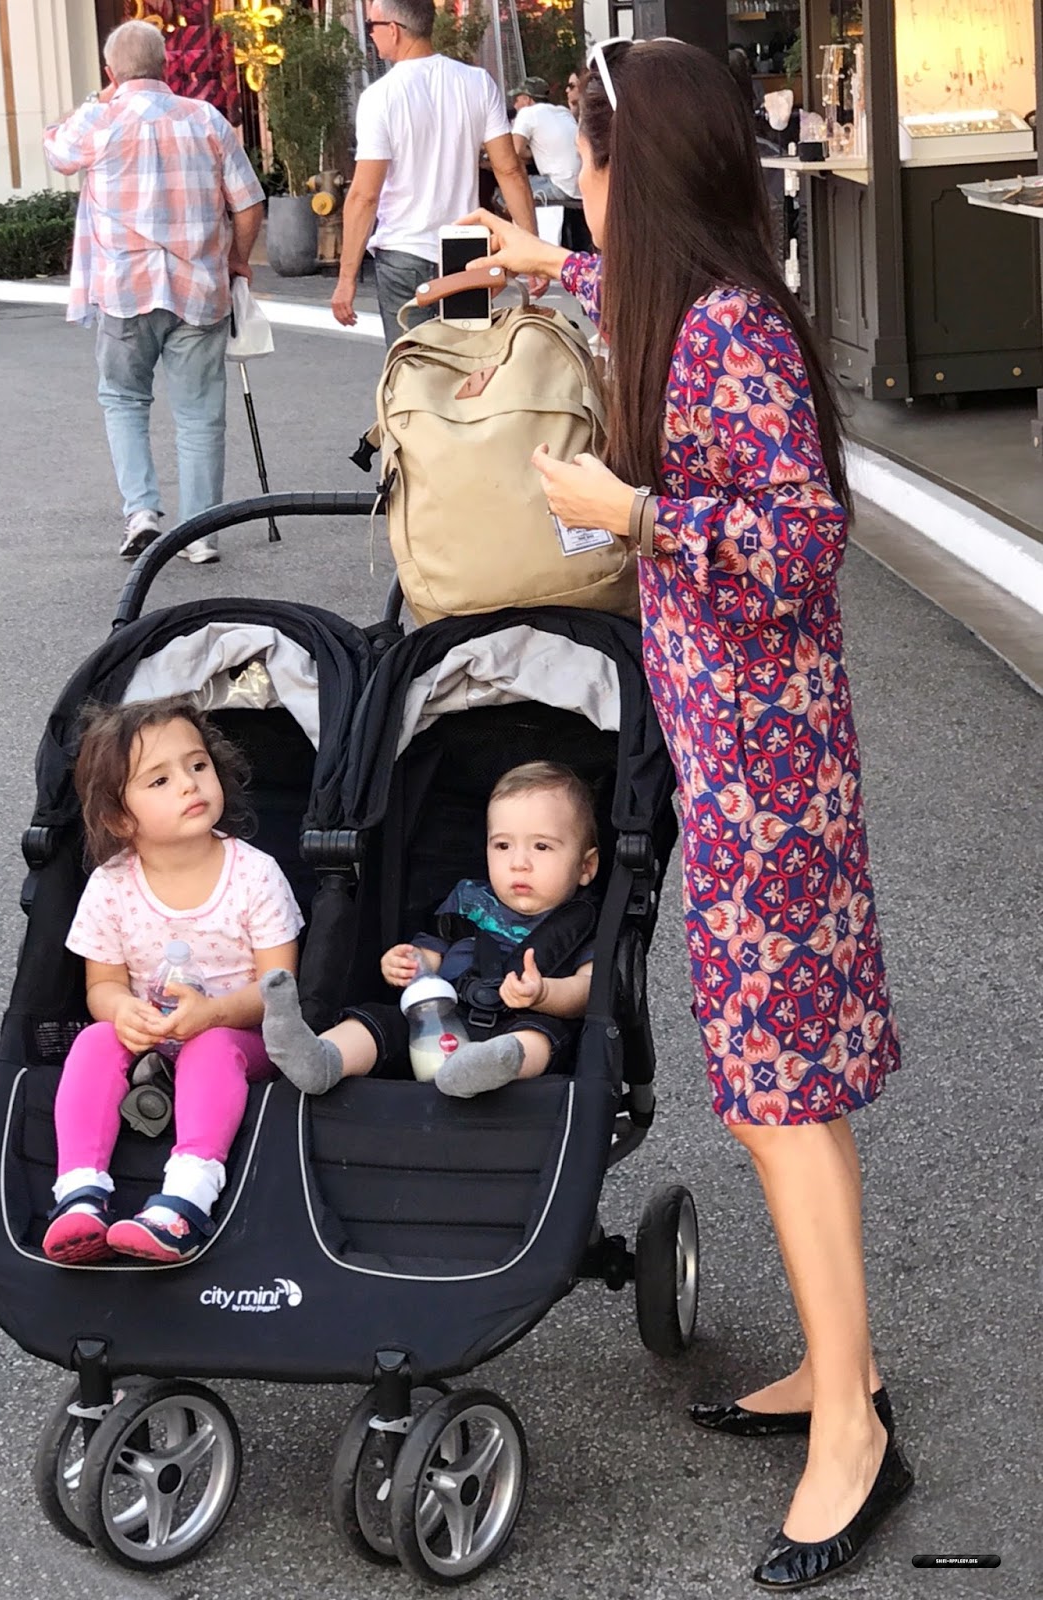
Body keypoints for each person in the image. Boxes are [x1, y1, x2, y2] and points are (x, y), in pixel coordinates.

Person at [459, 38, 913, 1592]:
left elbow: (803, 539)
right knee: (776, 1095)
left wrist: (632, 512)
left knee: (779, 1098)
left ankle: (852, 1429)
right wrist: (546, 263)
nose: (579, 186)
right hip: (747, 773)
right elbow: (624, 307)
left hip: (763, 787)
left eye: (589, 160)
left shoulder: (724, 331)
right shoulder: (686, 305)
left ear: (633, 170)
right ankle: (837, 1366)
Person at [42, 696, 302, 1266]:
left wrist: (212, 1014)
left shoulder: (254, 875)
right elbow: (102, 985)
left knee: (209, 1048)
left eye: (198, 765)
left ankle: (186, 1198)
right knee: (93, 1039)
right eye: (160, 780)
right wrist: (120, 1011)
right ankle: (80, 1193)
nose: (190, 784)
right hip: (155, 1035)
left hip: (243, 1036)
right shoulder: (112, 887)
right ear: (118, 818)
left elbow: (279, 988)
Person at [43, 20, 264, 565]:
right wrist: (236, 259)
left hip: (124, 289)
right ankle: (201, 534)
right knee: (200, 415)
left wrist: (100, 97)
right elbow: (249, 203)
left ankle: (141, 512)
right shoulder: (206, 119)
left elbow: (57, 149)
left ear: (111, 71)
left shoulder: (101, 120)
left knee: (122, 399)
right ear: (167, 65)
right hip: (200, 288)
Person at [261, 762, 598, 1099]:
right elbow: (431, 955)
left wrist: (544, 993)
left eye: (541, 847)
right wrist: (408, 962)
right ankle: (323, 1058)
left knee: (541, 1038)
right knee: (377, 1020)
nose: (518, 862)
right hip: (439, 1018)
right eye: (502, 846)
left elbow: (587, 989)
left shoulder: (583, 923)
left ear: (586, 866)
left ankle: (478, 1071)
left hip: (518, 1025)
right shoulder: (468, 899)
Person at [330, 0, 537, 348]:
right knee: (466, 366)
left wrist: (346, 278)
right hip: (466, 251)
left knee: (412, 373)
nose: (371, 37)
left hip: (403, 254)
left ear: (393, 30)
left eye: (371, 27)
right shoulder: (477, 82)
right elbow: (509, 170)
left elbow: (365, 195)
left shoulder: (380, 97)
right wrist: (531, 249)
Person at [509, 76, 582, 204]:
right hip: (581, 187)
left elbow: (515, 150)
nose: (515, 105)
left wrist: (533, 154)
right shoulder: (563, 111)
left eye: (517, 99)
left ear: (527, 99)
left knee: (507, 189)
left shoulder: (527, 113)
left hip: (561, 186)